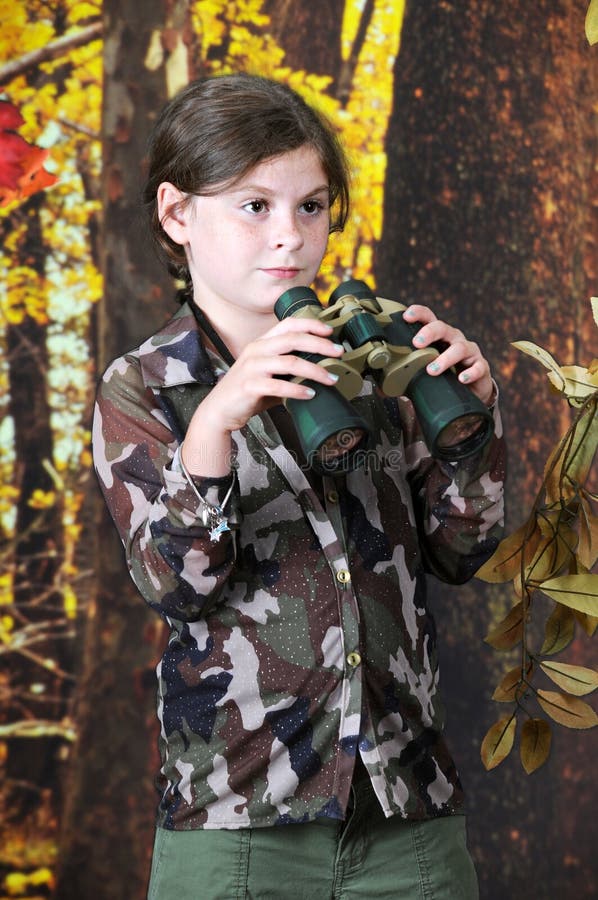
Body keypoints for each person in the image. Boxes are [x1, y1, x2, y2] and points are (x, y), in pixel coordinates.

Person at [92, 72, 506, 900]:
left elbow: (465, 551)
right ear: (178, 214)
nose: (291, 237)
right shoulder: (146, 388)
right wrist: (216, 422)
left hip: (407, 816)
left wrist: (472, 426)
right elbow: (180, 586)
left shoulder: (377, 354)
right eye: (255, 206)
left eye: (311, 207)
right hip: (238, 824)